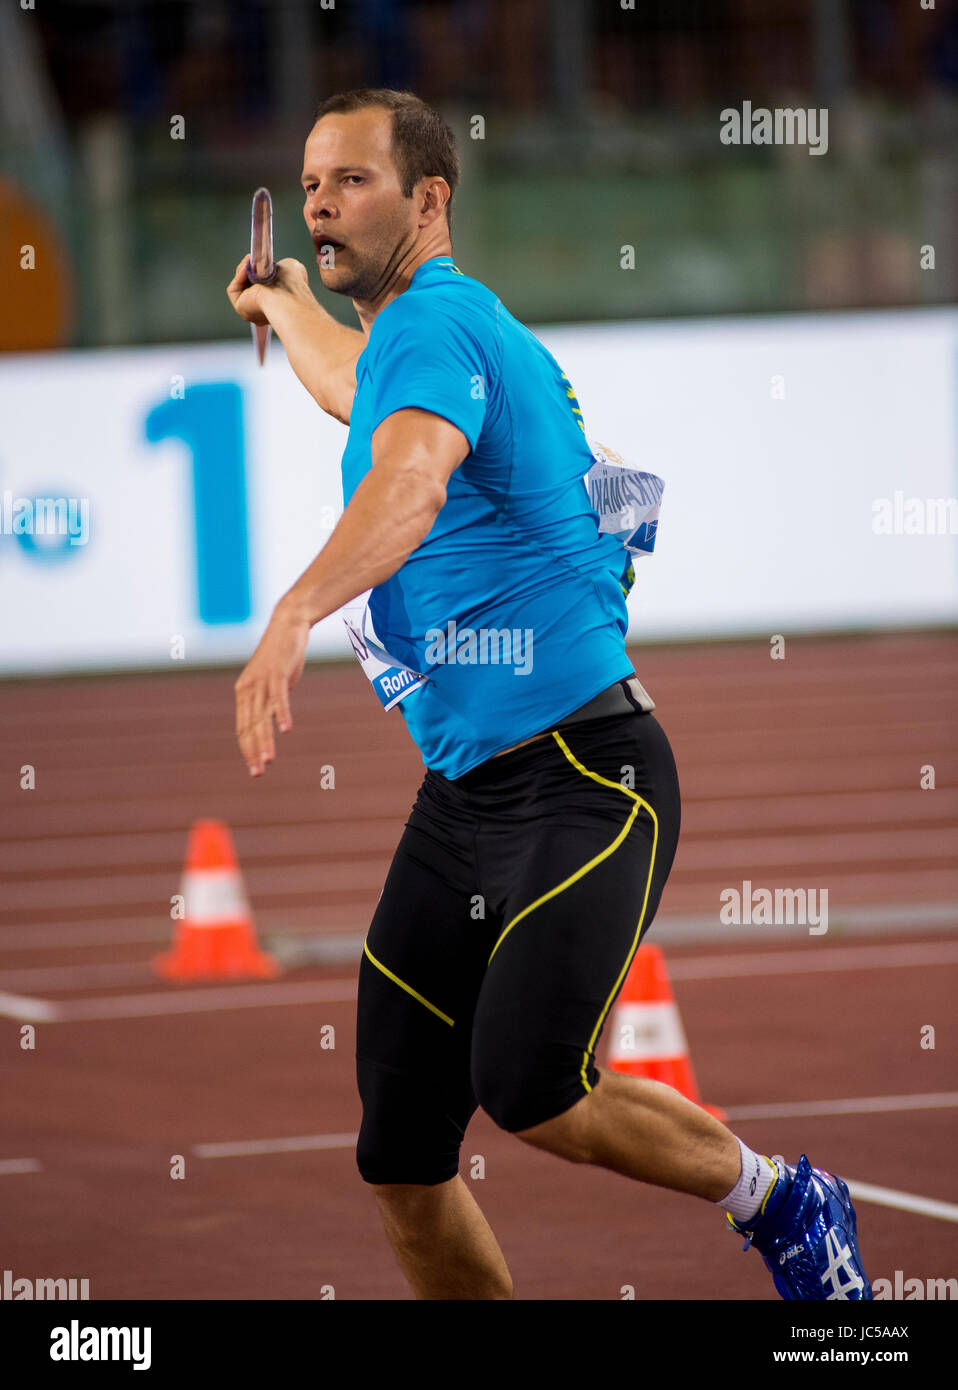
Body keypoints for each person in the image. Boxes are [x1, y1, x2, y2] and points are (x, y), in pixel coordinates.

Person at [227, 87, 872, 1302]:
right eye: (310, 180)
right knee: (403, 1163)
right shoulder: (422, 340)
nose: (318, 199)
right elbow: (352, 388)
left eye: (351, 179)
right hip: (464, 802)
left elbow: (411, 480)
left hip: (585, 779)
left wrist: (296, 609)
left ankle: (781, 1197)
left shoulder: (437, 323)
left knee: (533, 1082)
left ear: (429, 200)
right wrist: (281, 299)